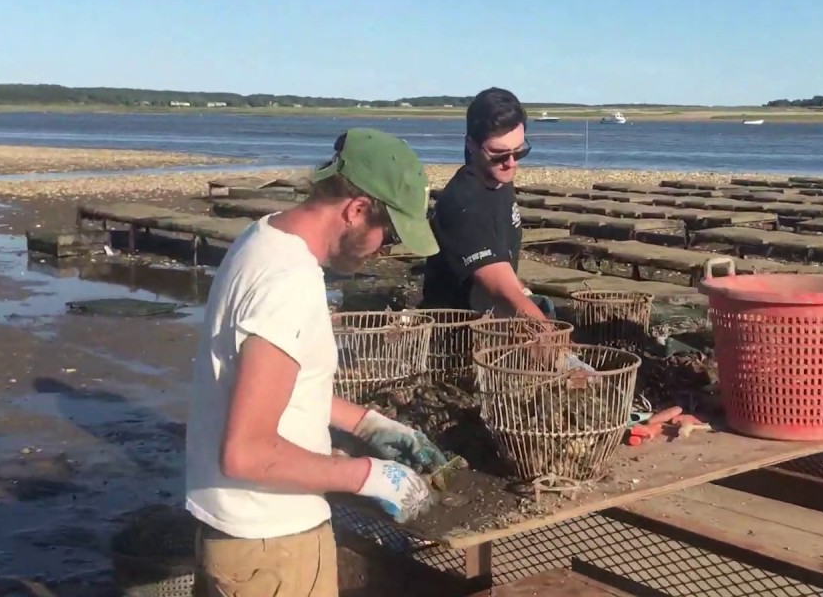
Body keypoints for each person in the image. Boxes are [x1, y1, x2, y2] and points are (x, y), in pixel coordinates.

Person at [185, 128, 449, 597]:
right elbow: (245, 452)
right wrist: (367, 475)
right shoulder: (289, 283)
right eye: (386, 237)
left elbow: (272, 387)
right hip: (270, 544)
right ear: (357, 210)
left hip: (244, 537)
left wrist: (370, 424)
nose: (381, 252)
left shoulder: (264, 237)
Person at [420, 86, 554, 319]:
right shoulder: (464, 205)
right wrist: (558, 348)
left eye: (519, 152)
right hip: (459, 332)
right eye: (499, 154)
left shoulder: (498, 180)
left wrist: (524, 291)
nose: (511, 163)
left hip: (491, 319)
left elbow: (505, 267)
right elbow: (503, 293)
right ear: (471, 145)